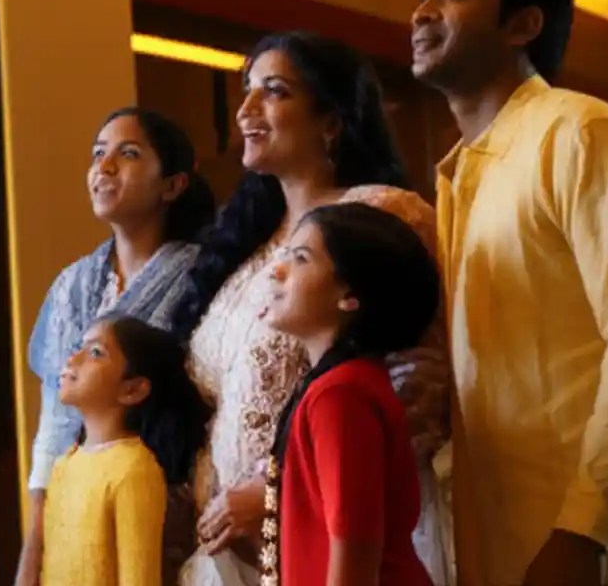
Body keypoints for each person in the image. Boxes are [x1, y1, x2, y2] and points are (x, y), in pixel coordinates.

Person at [180, 32, 451, 586]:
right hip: (236, 551)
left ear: (331, 121)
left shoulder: (377, 213)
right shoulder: (252, 245)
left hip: (327, 533)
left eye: (274, 91)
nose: (247, 109)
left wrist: (275, 491)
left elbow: (416, 386)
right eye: (247, 89)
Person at [411, 0, 608, 585]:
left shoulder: (578, 131)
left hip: (577, 542)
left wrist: (584, 527)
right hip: (493, 542)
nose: (422, 11)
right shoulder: (458, 173)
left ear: (523, 24)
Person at [17, 107, 216, 586]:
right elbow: (55, 427)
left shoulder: (204, 277)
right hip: (79, 501)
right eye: (97, 153)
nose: (104, 167)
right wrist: (32, 553)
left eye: (127, 154)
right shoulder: (72, 286)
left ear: (172, 185)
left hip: (170, 500)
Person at [259, 202, 439, 586]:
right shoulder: (334, 386)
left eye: (300, 258)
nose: (277, 270)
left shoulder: (341, 396)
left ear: (349, 295)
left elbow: (355, 548)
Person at [38, 316, 211, 586]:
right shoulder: (64, 466)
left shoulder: (135, 469)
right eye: (80, 347)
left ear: (132, 390)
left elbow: (139, 578)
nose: (73, 358)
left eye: (96, 352)